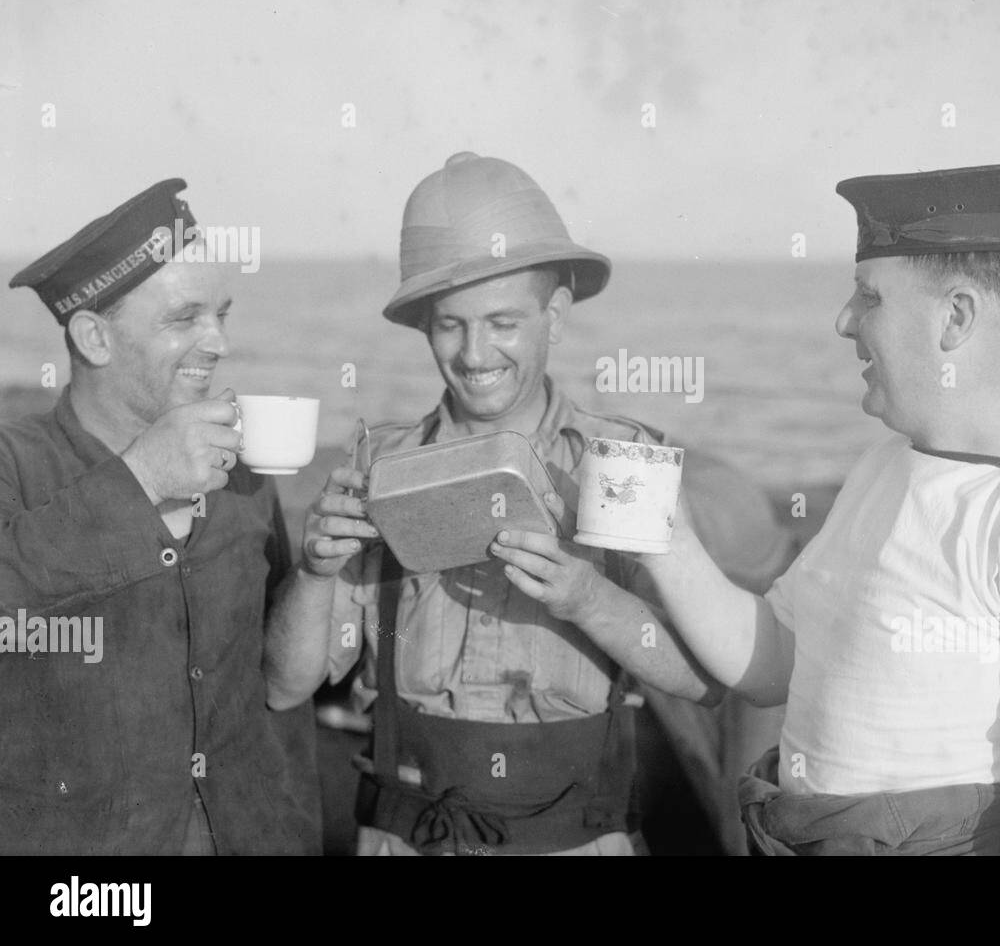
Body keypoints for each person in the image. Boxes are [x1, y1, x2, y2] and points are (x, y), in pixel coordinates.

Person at [493, 163, 1000, 855]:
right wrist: (662, 532)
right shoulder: (887, 466)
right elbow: (776, 660)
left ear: (956, 316)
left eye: (869, 297)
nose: (844, 320)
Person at [264, 152, 727, 856]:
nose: (476, 352)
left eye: (504, 321)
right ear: (423, 324)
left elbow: (703, 679)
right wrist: (315, 571)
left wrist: (587, 599)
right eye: (451, 324)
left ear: (557, 314)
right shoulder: (378, 468)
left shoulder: (618, 464)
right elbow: (288, 685)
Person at [0, 179, 320, 855]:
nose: (218, 343)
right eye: (185, 319)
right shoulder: (14, 463)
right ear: (93, 336)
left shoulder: (242, 473)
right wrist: (142, 477)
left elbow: (278, 680)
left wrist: (325, 571)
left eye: (222, 315)